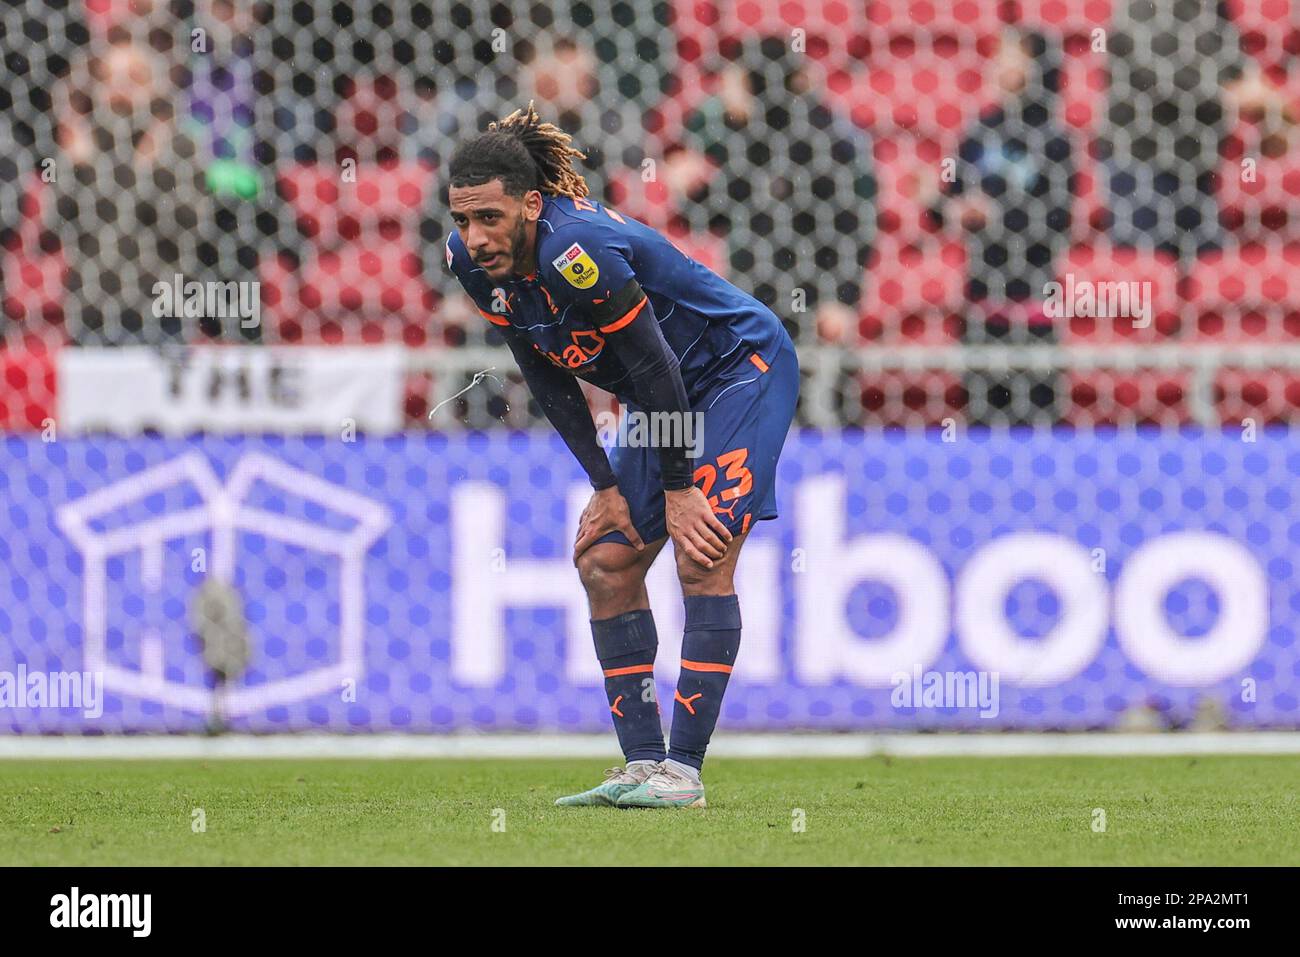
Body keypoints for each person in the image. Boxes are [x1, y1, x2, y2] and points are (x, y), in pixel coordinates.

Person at [442, 102, 799, 808]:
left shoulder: (577, 253)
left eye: (490, 217)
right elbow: (543, 369)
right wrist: (604, 483)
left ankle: (684, 773)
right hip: (657, 394)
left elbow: (660, 367)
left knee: (703, 549)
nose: (475, 237)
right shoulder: (472, 267)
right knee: (605, 560)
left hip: (736, 369)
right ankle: (640, 762)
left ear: (532, 204)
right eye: (462, 219)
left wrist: (676, 488)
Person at [928, 28, 1074, 425]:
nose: (997, 62)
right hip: (982, 302)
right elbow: (948, 202)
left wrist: (995, 216)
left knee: (1039, 425)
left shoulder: (1055, 139)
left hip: (1034, 301)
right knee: (983, 422)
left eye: (1010, 53)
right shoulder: (979, 131)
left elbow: (1059, 220)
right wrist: (938, 203)